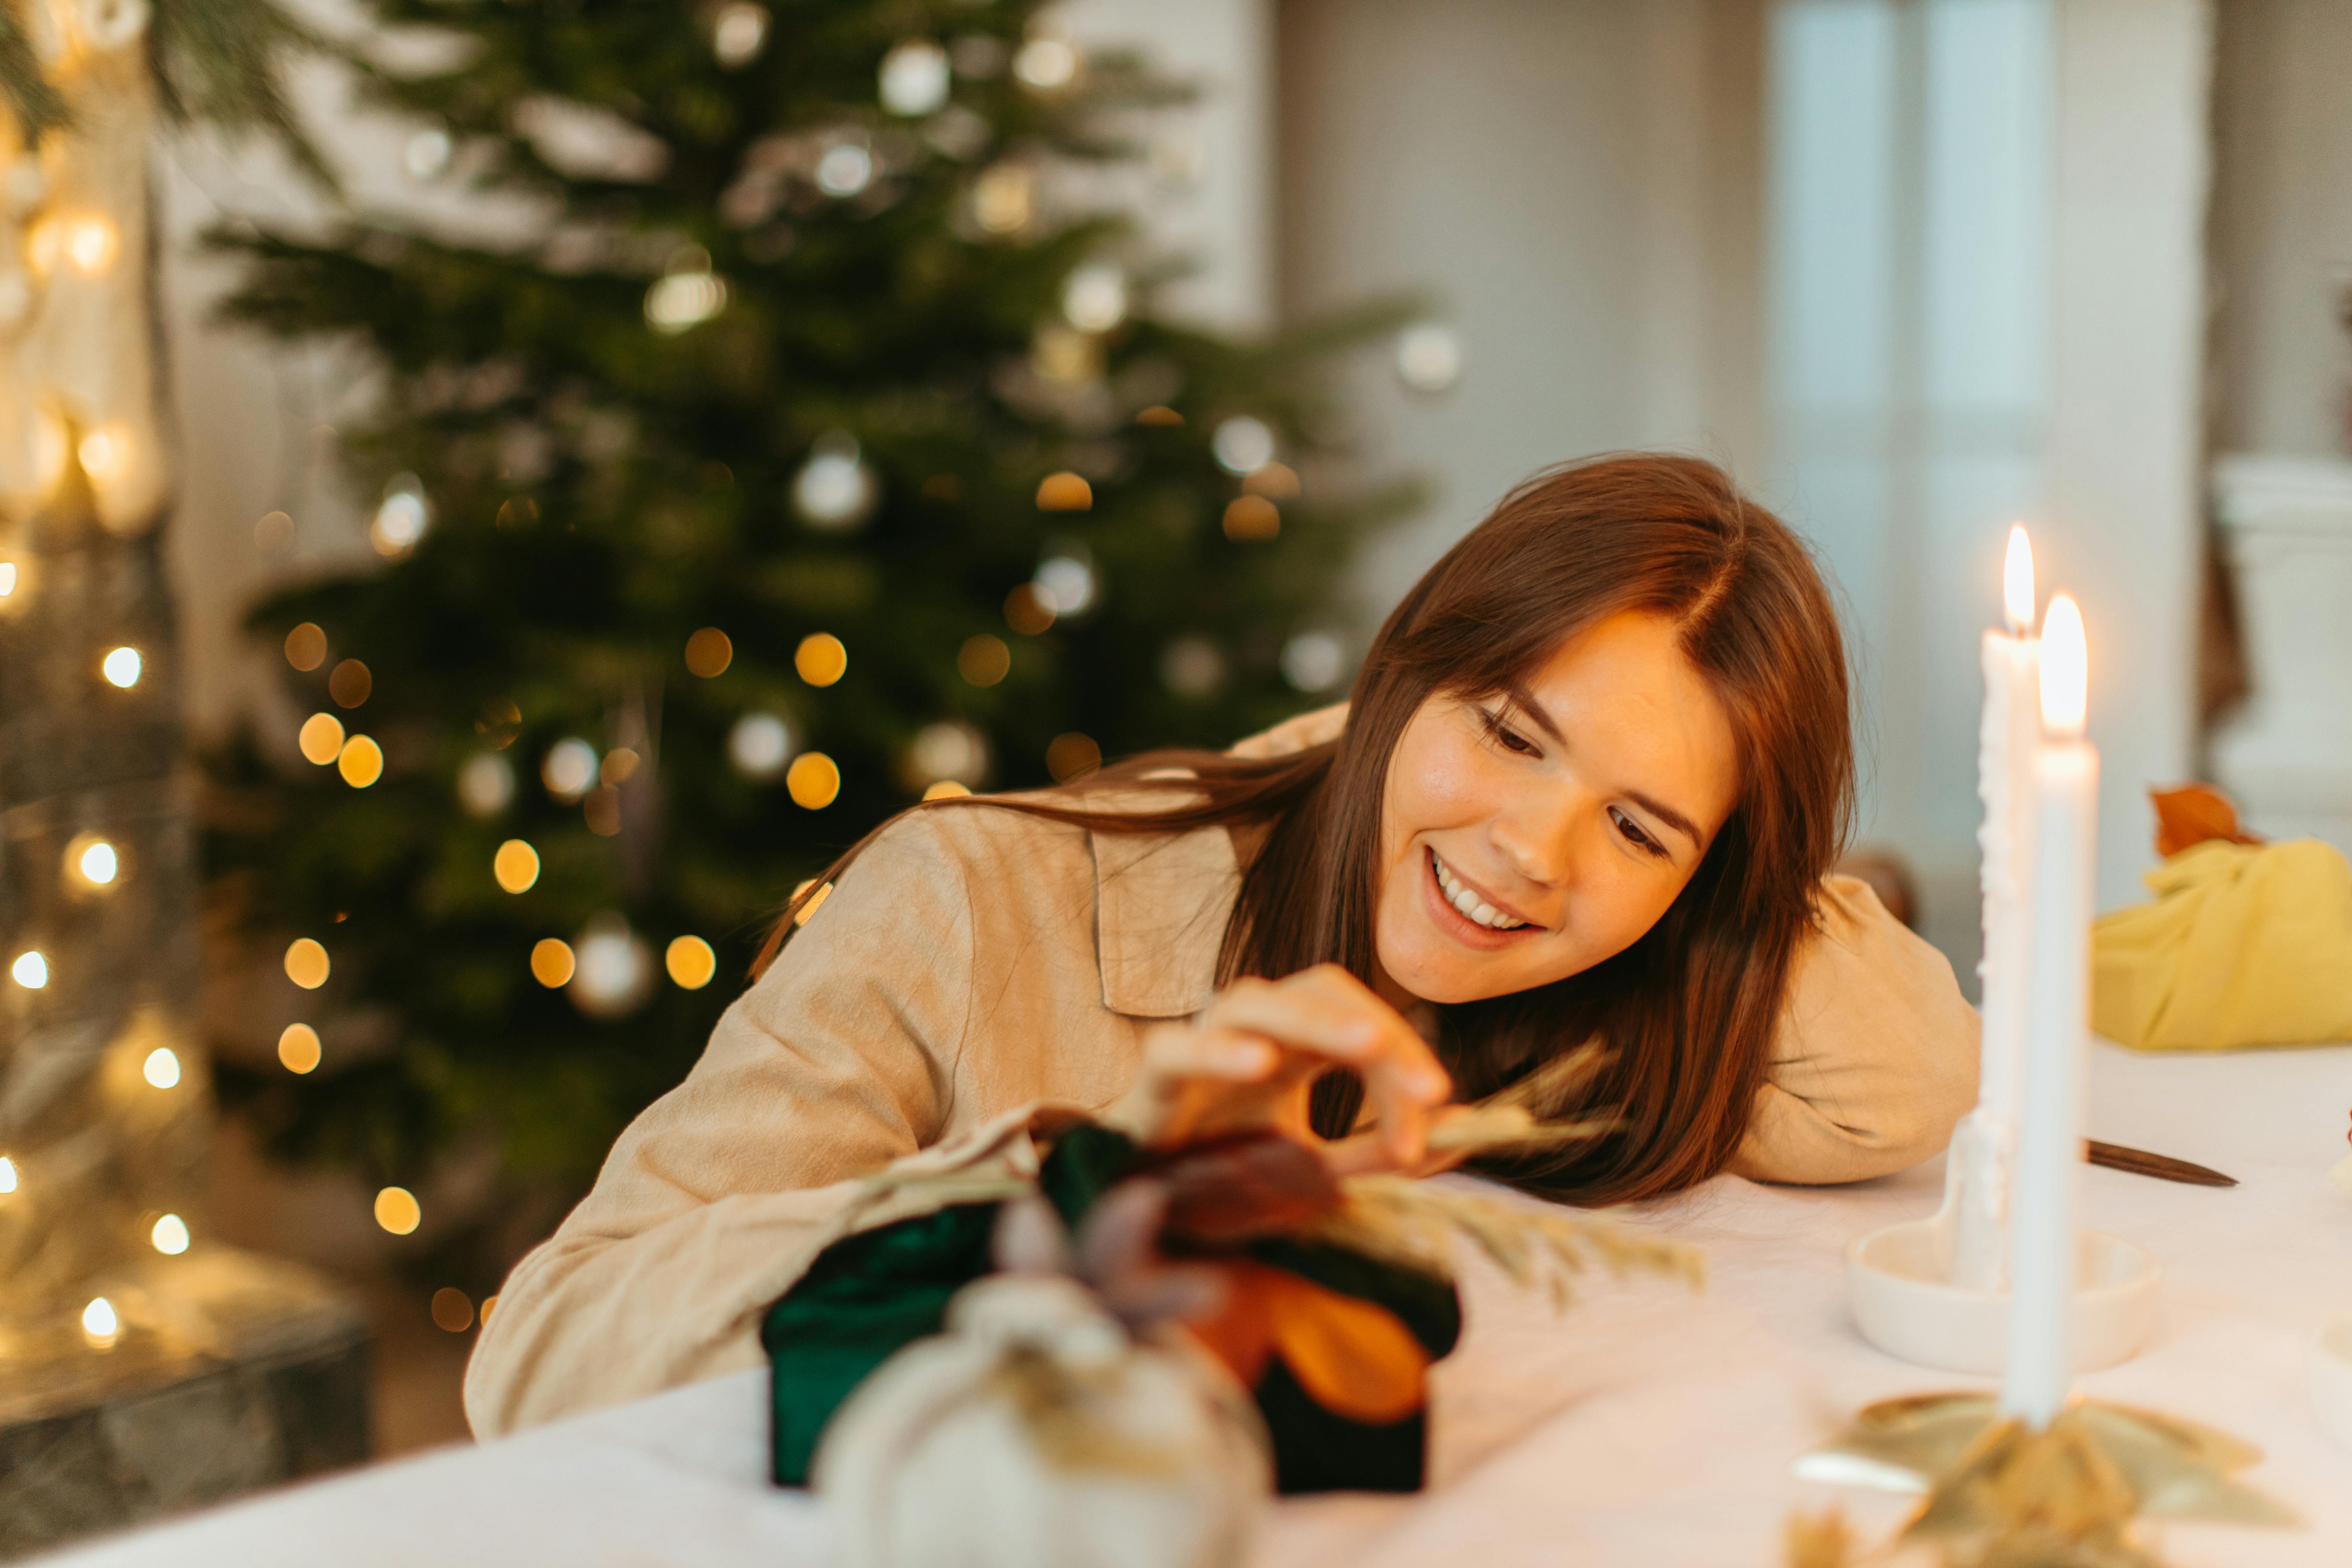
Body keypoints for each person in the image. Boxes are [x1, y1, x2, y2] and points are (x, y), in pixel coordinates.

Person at [465, 454, 1978, 1436]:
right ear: (1400, 676)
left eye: (1642, 828)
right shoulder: (971, 900)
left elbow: (1907, 1075)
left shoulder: (1626, 983)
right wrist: (1085, 1182)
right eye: (1509, 731)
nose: (1534, 854)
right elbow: (540, 1354)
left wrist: (1711, 853)